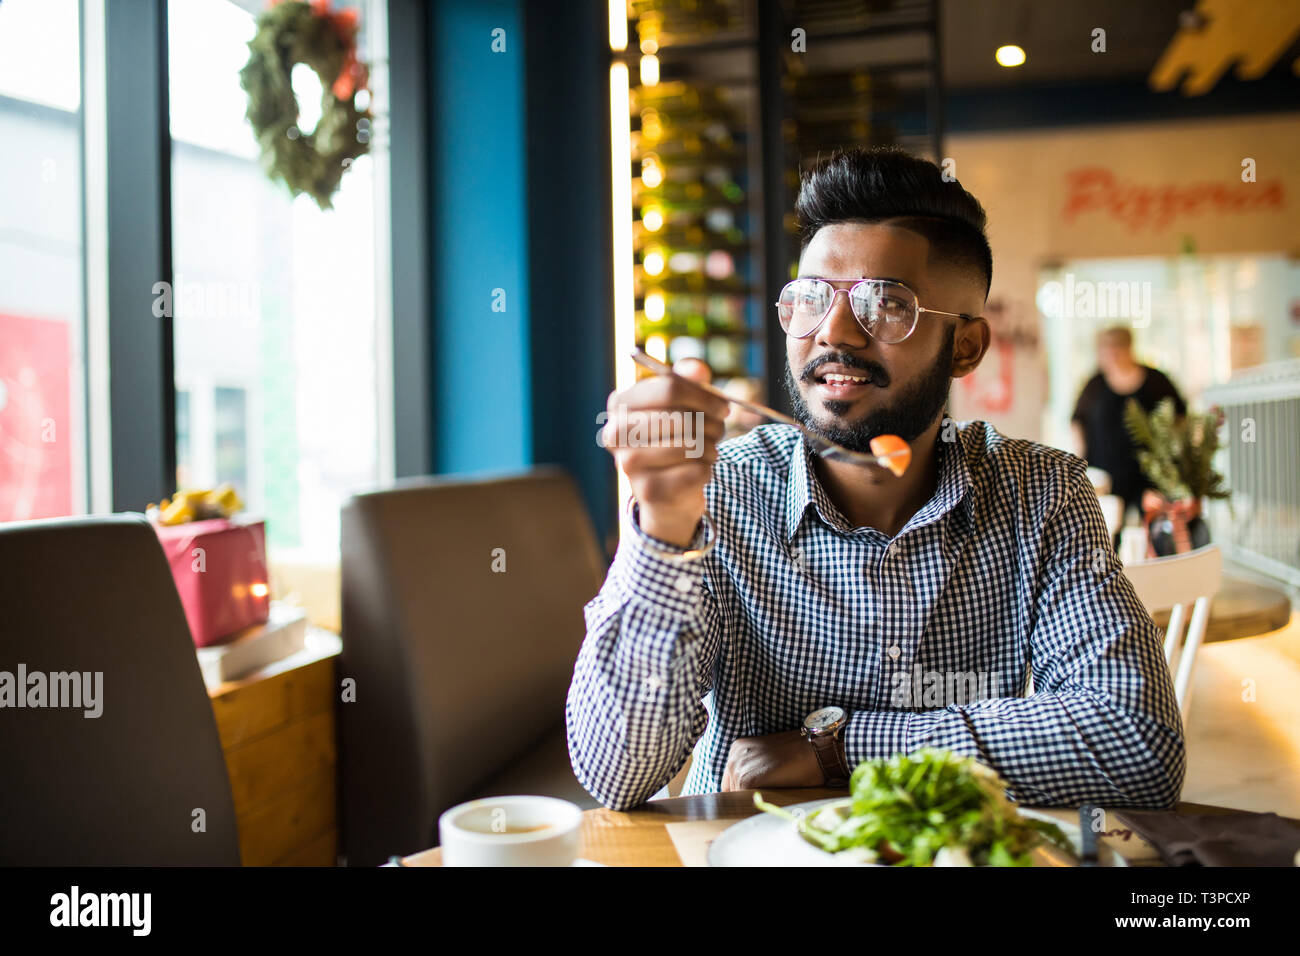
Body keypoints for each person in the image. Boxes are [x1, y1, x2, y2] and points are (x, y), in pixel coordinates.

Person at [567, 147, 1184, 813]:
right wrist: (660, 528)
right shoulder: (721, 494)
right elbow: (615, 775)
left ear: (967, 346)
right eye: (809, 299)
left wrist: (837, 750)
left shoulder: (1040, 491)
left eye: (885, 303)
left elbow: (1137, 742)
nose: (834, 333)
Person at [1071, 327, 1187, 529]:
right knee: (1107, 531)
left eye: (1117, 347)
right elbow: (1077, 422)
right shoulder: (1095, 385)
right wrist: (1080, 465)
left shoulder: (1156, 380)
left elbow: (1180, 417)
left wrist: (1173, 460)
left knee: (1155, 528)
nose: (1112, 353)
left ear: (1129, 347)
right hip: (1107, 473)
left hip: (1149, 473)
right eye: (1107, 348)